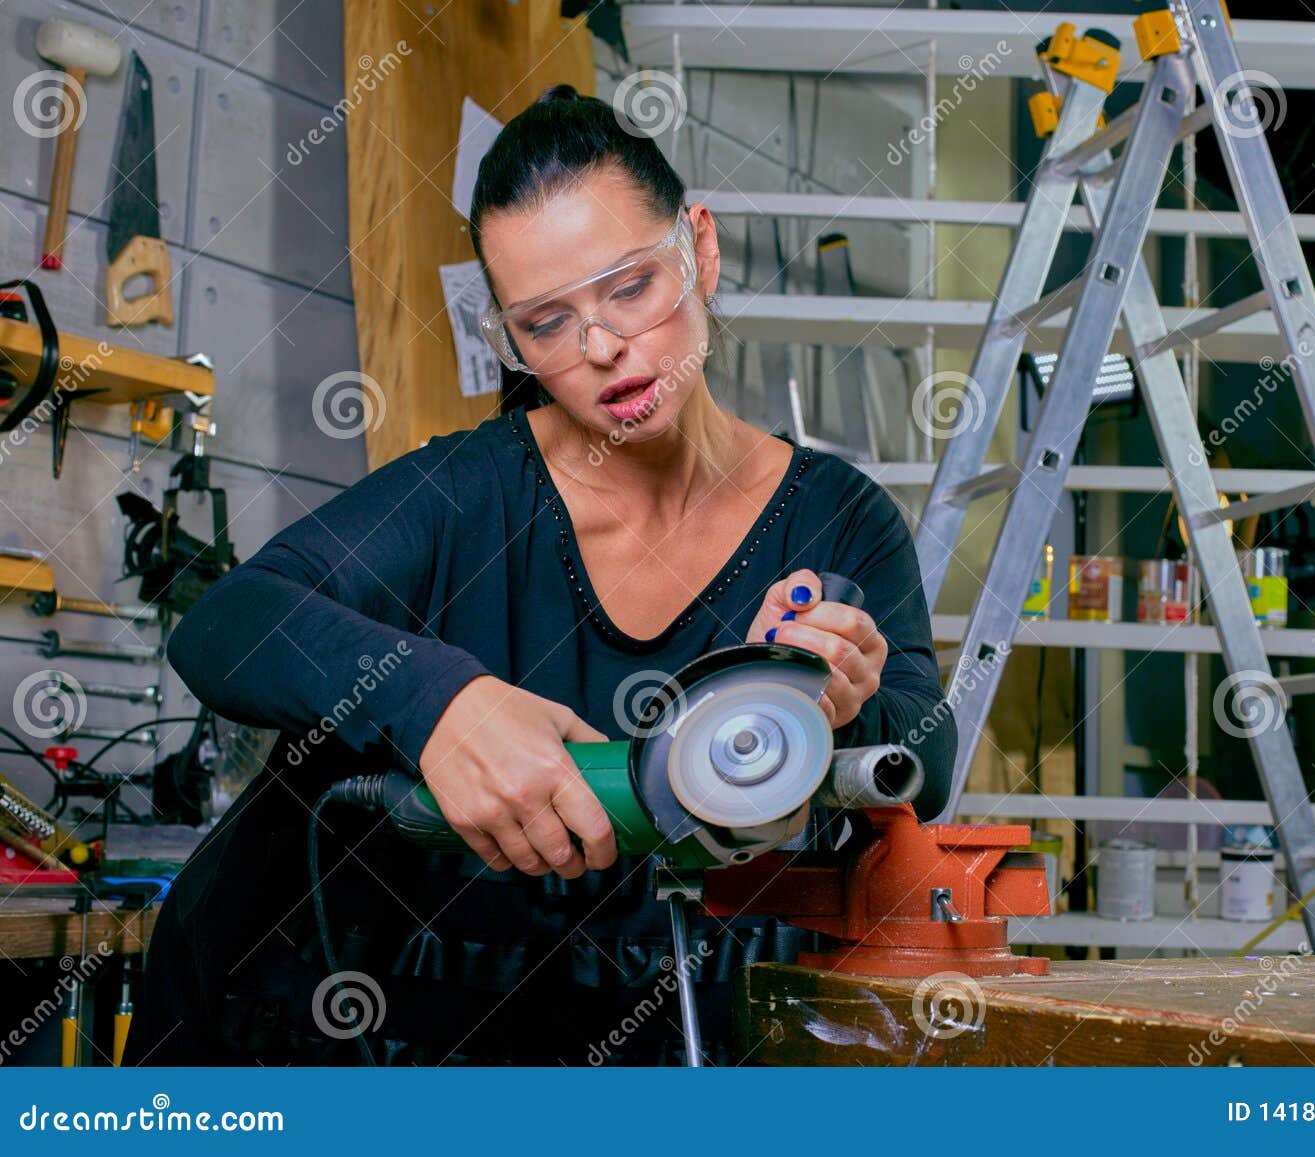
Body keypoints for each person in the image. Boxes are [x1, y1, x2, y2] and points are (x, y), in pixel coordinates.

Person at [125, 83, 954, 1066]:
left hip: (644, 1034)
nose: (601, 347)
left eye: (629, 287)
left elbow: (925, 757)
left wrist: (842, 697)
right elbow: (226, 624)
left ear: (700, 246)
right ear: (508, 335)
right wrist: (438, 701)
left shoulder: (835, 515)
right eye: (546, 322)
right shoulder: (467, 491)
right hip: (349, 1031)